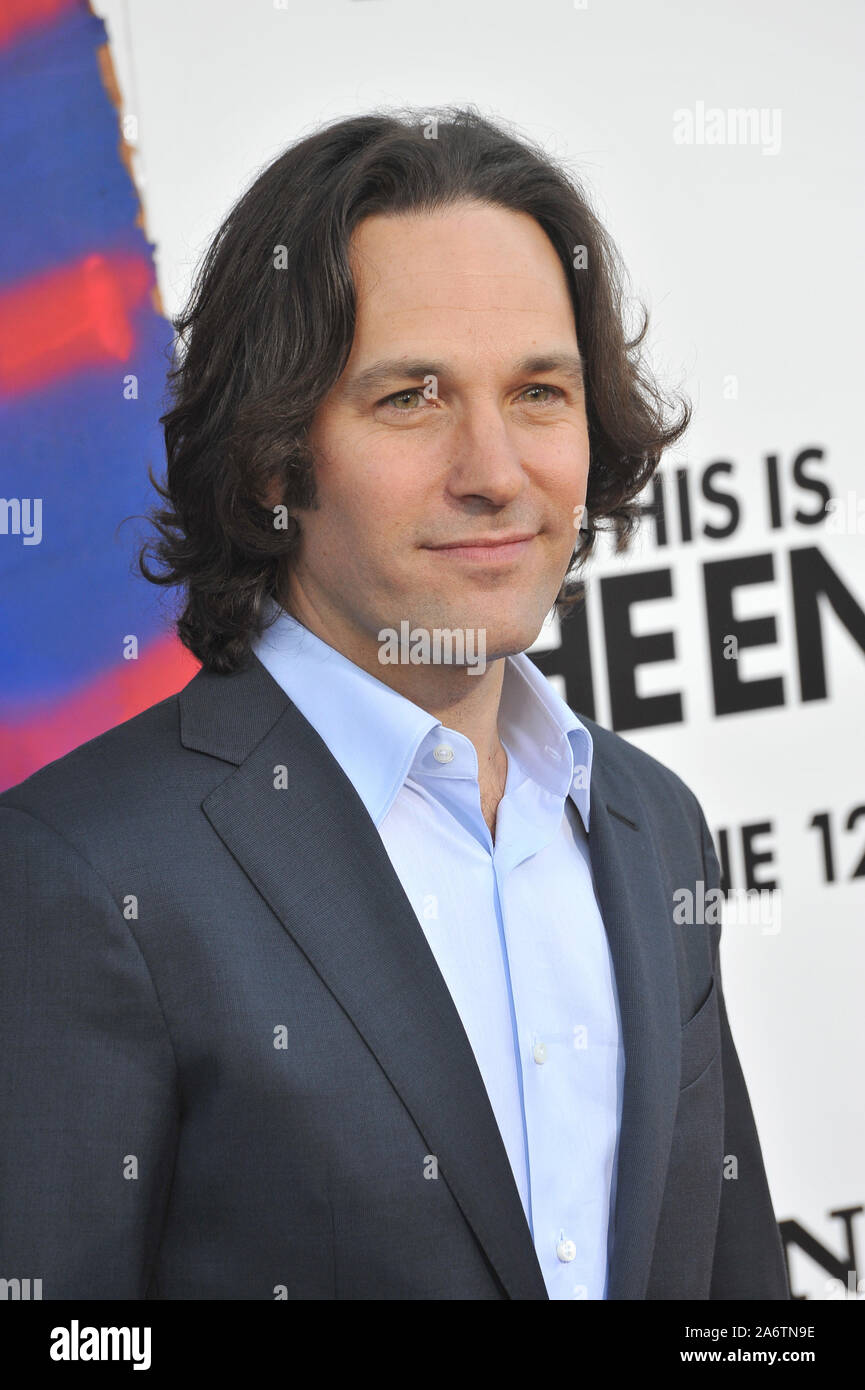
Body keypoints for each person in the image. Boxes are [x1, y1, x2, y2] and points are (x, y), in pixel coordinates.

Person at [0, 106, 789, 1300]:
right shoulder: (84, 873)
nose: (494, 471)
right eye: (412, 397)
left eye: (538, 392)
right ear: (274, 459)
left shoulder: (649, 822)